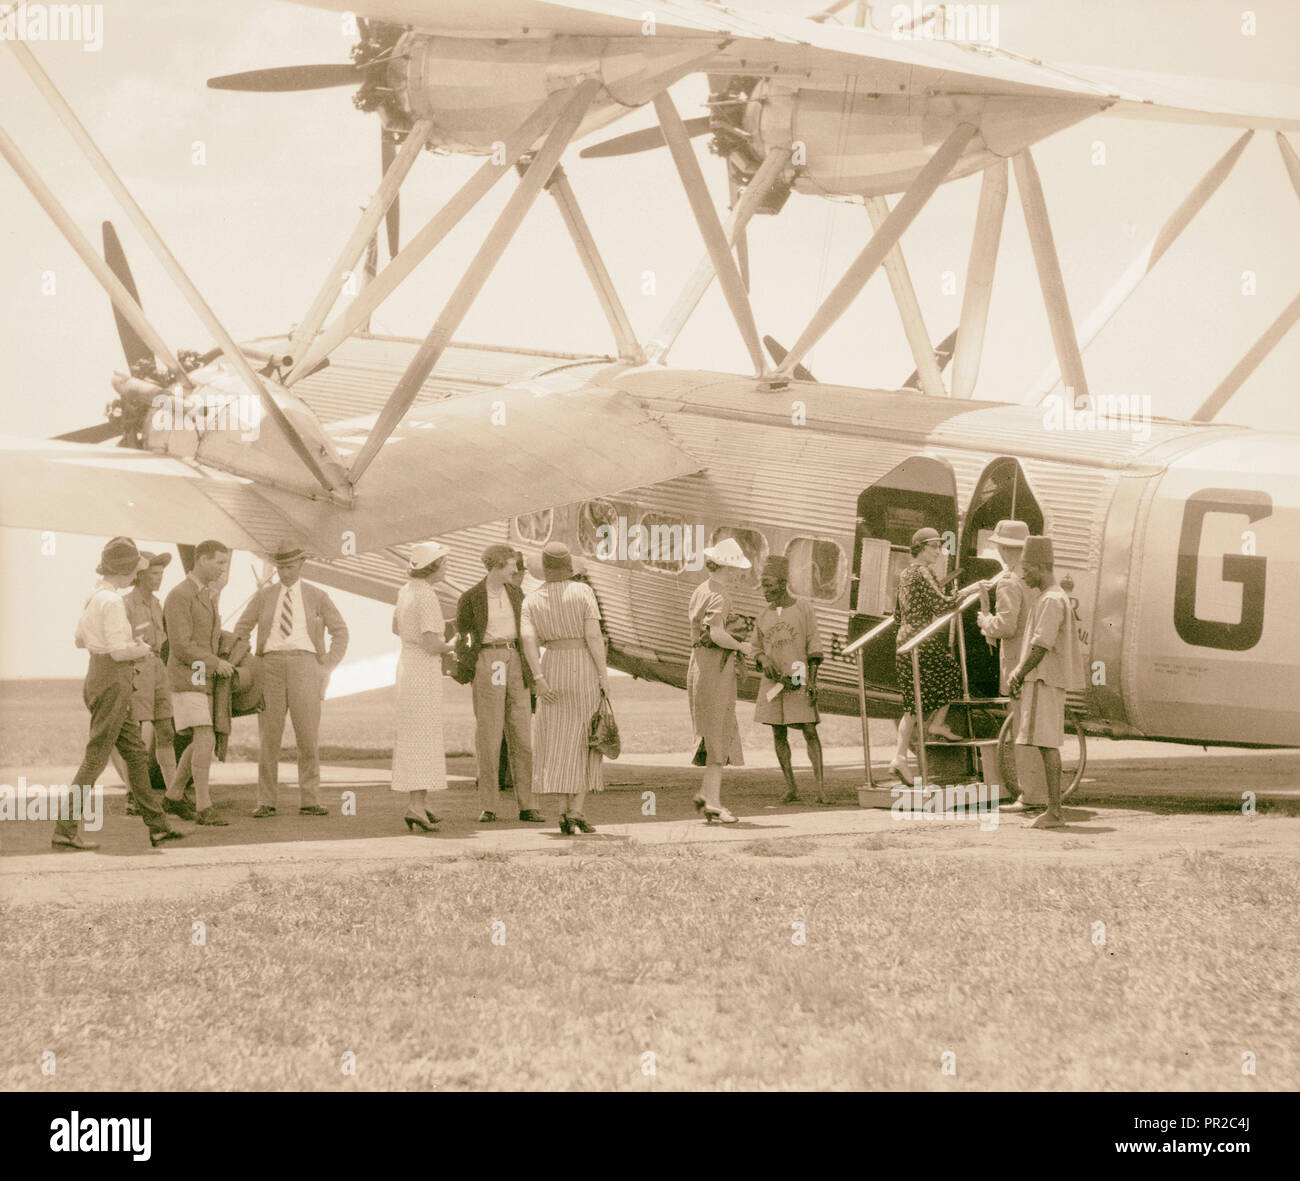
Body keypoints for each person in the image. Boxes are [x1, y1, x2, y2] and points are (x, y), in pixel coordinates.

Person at [58, 537, 181, 850]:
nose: (135, 576)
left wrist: (112, 645)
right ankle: (65, 829)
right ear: (126, 571)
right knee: (96, 757)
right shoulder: (112, 602)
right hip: (113, 678)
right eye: (133, 570)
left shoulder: (94, 597)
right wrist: (140, 649)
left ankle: (158, 827)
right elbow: (116, 652)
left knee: (137, 756)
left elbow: (78, 640)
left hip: (98, 676)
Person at [234, 540, 349, 818]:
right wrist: (249, 663)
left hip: (306, 665)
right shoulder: (264, 596)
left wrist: (326, 667)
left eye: (290, 566)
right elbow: (242, 628)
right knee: (269, 737)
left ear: (301, 564)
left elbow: (341, 632)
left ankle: (310, 799)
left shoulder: (317, 596)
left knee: (307, 736)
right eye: (281, 567)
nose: (285, 572)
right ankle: (266, 801)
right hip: (270, 666)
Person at [520, 542, 606, 834]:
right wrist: (603, 674)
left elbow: (528, 641)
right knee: (585, 737)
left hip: (552, 666)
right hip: (582, 665)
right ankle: (577, 810)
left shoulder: (531, 600)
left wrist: (538, 677)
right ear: (569, 567)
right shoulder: (583, 592)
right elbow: (594, 636)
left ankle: (561, 811)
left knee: (556, 742)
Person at [455, 544, 542, 824]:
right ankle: (489, 805)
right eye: (511, 565)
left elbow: (529, 633)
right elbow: (464, 635)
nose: (516, 569)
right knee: (490, 735)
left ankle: (527, 804)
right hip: (489, 658)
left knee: (522, 736)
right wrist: (468, 666)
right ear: (496, 565)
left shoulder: (518, 594)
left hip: (515, 658)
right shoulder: (471, 597)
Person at [1007, 535, 1085, 830]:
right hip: (1043, 680)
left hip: (1043, 680)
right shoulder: (1049, 597)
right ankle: (1053, 810)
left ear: (1041, 566)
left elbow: (1041, 645)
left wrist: (1018, 672)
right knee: (1044, 744)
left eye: (1027, 568)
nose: (1023, 574)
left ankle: (1054, 812)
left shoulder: (1051, 599)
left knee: (1046, 745)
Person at [974, 519, 1043, 809]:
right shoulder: (1031, 580)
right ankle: (1039, 791)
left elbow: (1006, 626)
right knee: (1033, 731)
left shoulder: (1008, 582)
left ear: (1003, 549)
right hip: (1035, 664)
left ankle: (1030, 795)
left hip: (1016, 664)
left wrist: (984, 621)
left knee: (1021, 733)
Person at [163, 539, 232, 826]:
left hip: (200, 677)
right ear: (201, 559)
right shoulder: (180, 595)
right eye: (219, 562)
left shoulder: (204, 595)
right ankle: (204, 807)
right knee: (205, 736)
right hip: (187, 676)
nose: (223, 568)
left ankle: (174, 796)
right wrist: (216, 663)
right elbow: (181, 645)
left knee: (202, 738)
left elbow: (206, 639)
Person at [687, 538, 755, 824]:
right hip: (715, 669)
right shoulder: (720, 595)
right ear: (727, 567)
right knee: (718, 738)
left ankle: (707, 795)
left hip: (701, 666)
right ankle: (712, 803)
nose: (739, 573)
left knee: (713, 735)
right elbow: (716, 633)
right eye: (737, 567)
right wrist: (742, 647)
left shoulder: (702, 589)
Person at [890, 527, 963, 784]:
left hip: (904, 638)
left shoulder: (905, 573)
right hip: (921, 639)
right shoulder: (923, 571)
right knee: (953, 672)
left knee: (913, 703)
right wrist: (962, 594)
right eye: (933, 546)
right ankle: (937, 724)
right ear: (921, 548)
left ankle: (900, 756)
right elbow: (943, 605)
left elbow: (897, 614)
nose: (938, 551)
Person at [753, 555, 828, 805]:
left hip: (799, 677)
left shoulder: (803, 608)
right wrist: (764, 660)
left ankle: (821, 789)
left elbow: (814, 645)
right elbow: (755, 648)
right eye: (762, 585)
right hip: (773, 684)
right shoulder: (763, 616)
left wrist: (812, 682)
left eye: (768, 584)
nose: (764, 590)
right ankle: (791, 787)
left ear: (783, 582)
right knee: (778, 732)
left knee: (809, 730)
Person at [392, 542, 455, 832]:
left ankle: (423, 803)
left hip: (408, 665)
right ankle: (416, 806)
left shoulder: (406, 590)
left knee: (416, 734)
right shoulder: (428, 596)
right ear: (433, 567)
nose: (447, 567)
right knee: (422, 736)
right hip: (423, 671)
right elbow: (432, 644)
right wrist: (452, 645)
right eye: (444, 563)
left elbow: (396, 628)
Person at [113, 550, 178, 815]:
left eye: (161, 574)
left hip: (158, 667)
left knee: (166, 731)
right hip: (136, 669)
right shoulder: (125, 604)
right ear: (140, 575)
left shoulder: (156, 604)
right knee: (136, 736)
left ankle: (173, 794)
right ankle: (133, 795)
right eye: (154, 574)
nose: (159, 578)